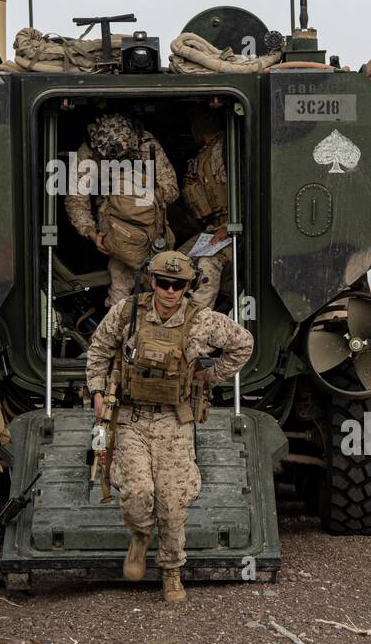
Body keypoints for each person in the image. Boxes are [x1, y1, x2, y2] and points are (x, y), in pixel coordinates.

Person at [86, 250, 252, 602]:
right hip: (130, 418)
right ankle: (141, 536)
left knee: (173, 502)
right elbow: (99, 348)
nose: (170, 291)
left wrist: (209, 378)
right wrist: (98, 390)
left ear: (187, 285)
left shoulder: (201, 321)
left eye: (178, 285)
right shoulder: (128, 312)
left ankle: (172, 570)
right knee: (137, 492)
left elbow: (243, 344)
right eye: (164, 283)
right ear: (152, 281)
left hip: (174, 421)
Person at [64, 112, 179, 307]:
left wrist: (134, 192)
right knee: (121, 293)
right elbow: (76, 199)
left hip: (151, 225)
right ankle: (120, 331)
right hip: (115, 229)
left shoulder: (146, 144)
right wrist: (92, 233)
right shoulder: (90, 151)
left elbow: (171, 190)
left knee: (163, 290)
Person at [178, 109, 231, 310]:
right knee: (173, 262)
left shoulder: (226, 149)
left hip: (237, 230)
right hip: (214, 229)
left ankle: (198, 323)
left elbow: (249, 192)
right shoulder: (206, 154)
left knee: (208, 263)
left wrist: (231, 226)